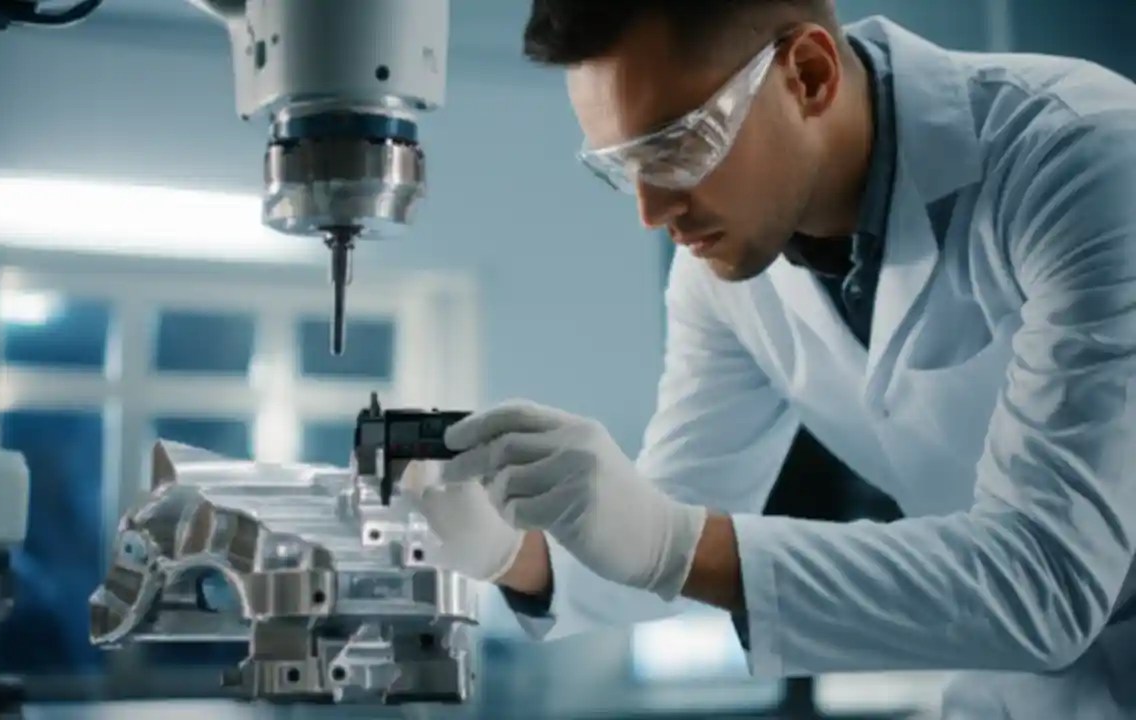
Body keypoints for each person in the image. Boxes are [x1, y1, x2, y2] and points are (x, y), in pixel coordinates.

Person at [403, 1, 1136, 717]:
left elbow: (1046, 579)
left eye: (678, 147)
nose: (653, 211)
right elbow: (674, 521)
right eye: (624, 167)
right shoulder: (723, 272)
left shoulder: (1083, 159)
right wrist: (513, 551)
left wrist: (665, 539)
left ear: (809, 75)